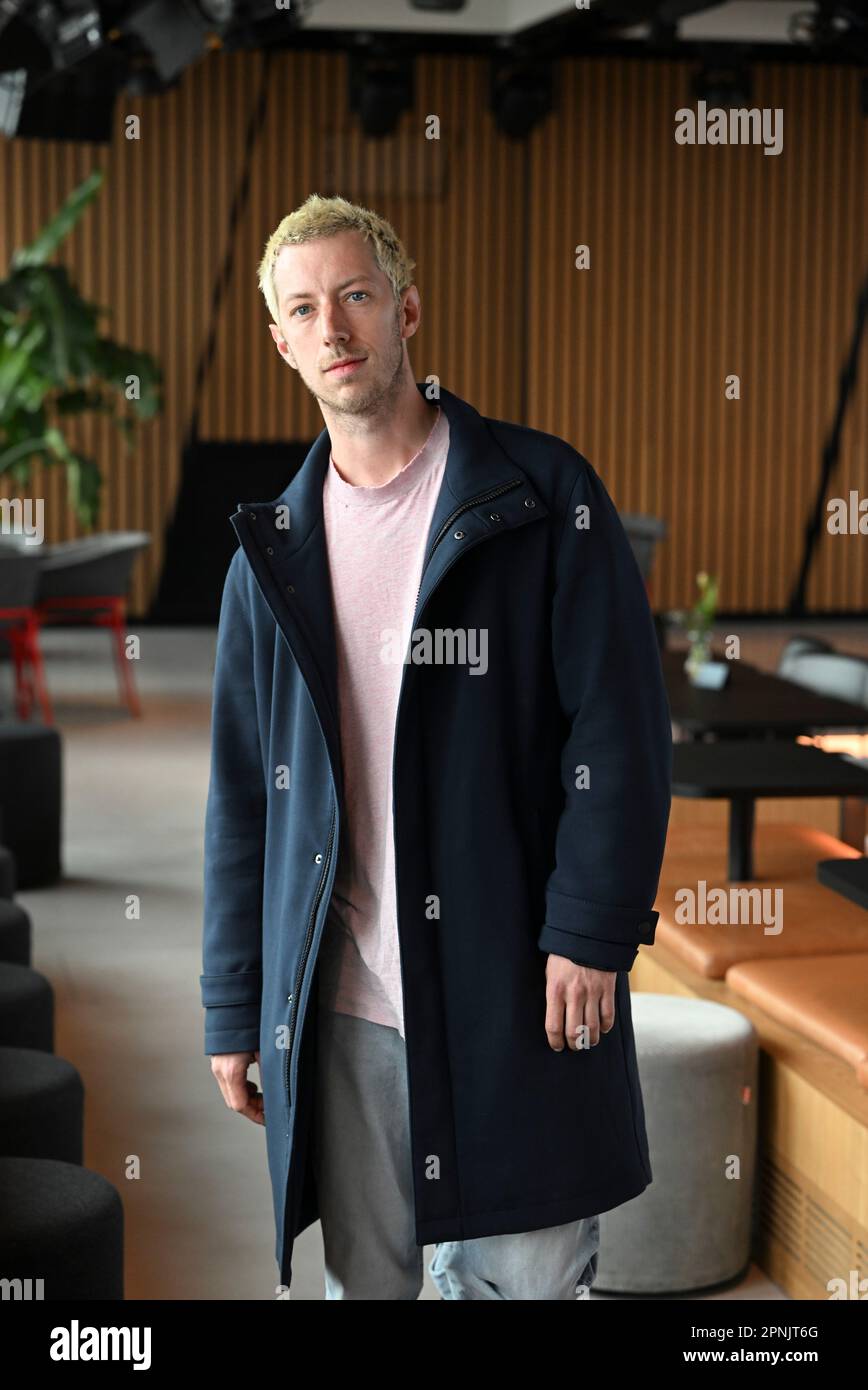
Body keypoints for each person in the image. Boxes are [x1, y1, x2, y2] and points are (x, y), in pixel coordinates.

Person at [201, 193, 672, 1300]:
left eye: (355, 295)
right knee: (369, 1290)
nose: (334, 327)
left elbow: (619, 729)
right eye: (305, 309)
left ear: (406, 306)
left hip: (516, 988)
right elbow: (241, 804)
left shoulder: (542, 498)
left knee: (527, 1279)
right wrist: (234, 1005)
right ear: (281, 342)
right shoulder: (268, 562)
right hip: (348, 1009)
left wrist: (592, 930)